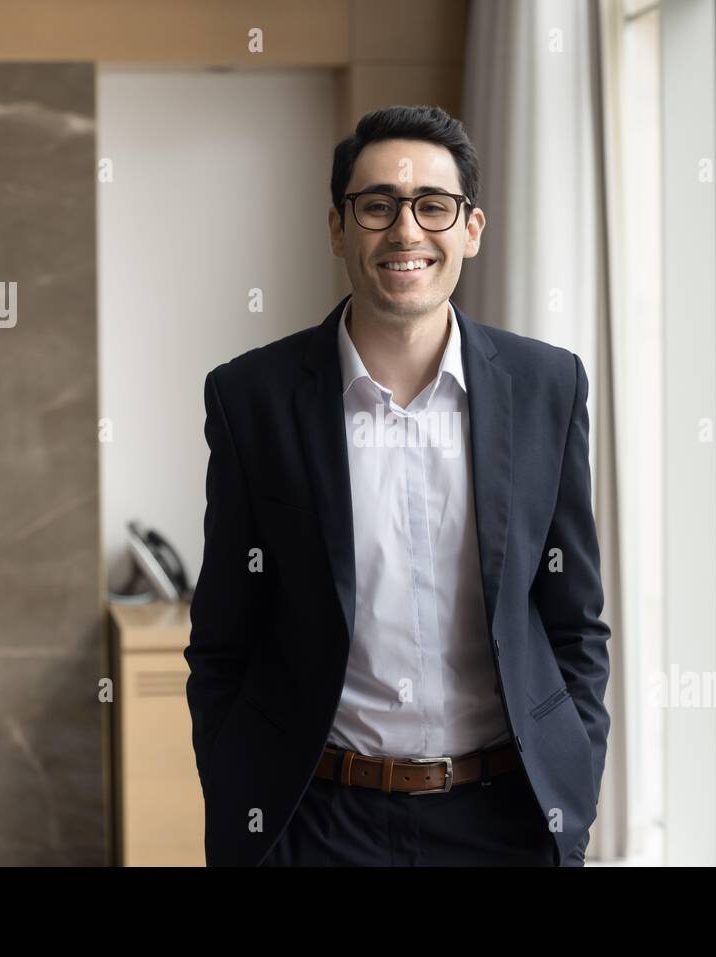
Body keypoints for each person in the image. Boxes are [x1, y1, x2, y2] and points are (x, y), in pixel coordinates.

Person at [185, 105, 610, 866]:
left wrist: (572, 784)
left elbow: (573, 620)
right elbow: (223, 637)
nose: (406, 231)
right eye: (376, 205)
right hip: (314, 823)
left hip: (505, 822)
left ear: (470, 229)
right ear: (339, 229)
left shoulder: (548, 386)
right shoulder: (253, 398)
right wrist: (237, 791)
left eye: (432, 207)